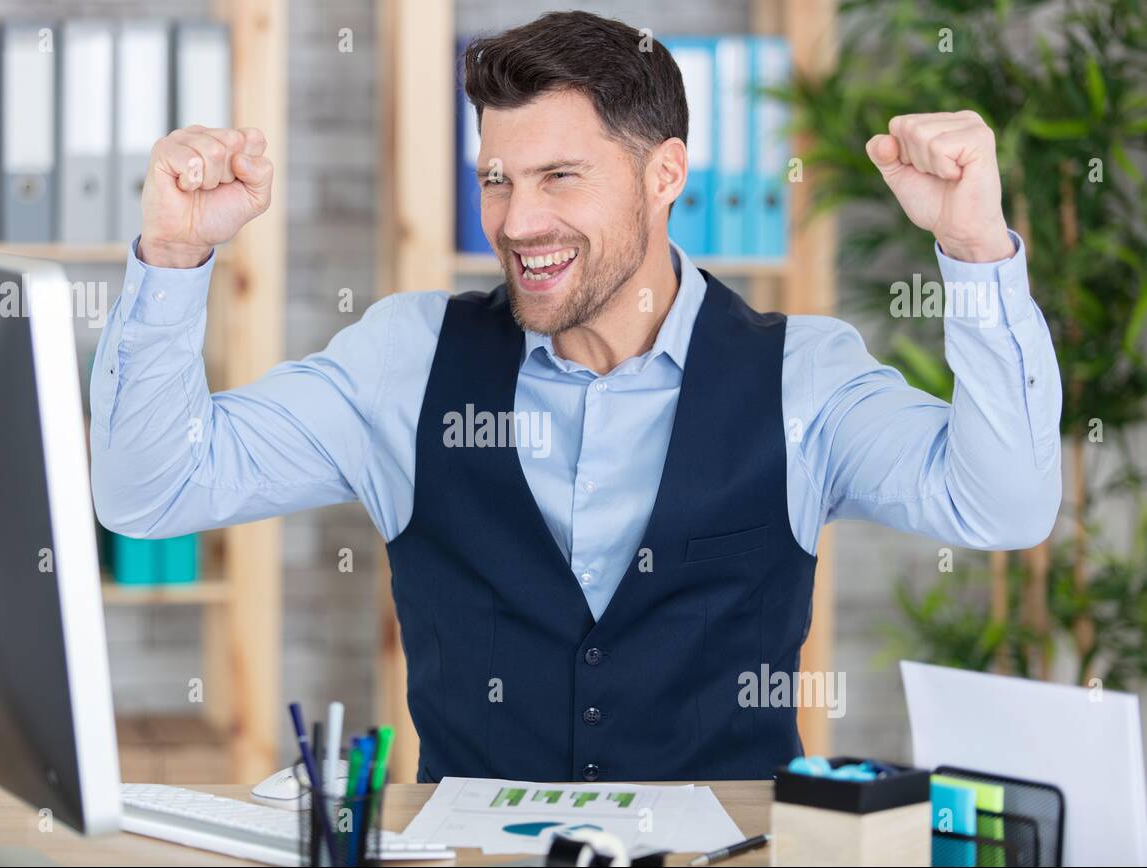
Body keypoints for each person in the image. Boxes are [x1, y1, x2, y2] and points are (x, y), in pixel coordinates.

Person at [91, 11, 1060, 783]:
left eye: (560, 176)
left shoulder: (801, 375)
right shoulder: (406, 359)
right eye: (496, 179)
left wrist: (976, 255)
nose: (519, 220)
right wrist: (174, 256)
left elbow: (1004, 503)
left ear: (665, 173)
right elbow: (151, 490)